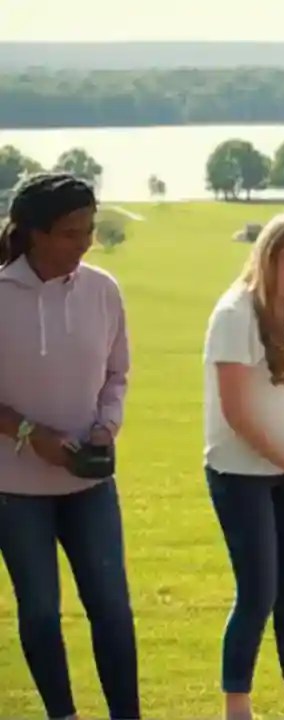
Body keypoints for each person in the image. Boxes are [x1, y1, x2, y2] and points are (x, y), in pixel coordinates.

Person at [0, 173, 139, 720]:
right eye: (70, 233)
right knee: (38, 614)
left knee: (111, 608)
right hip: (14, 491)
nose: (84, 243)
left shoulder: (103, 290)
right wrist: (32, 435)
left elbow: (117, 373)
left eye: (89, 229)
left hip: (90, 485)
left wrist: (106, 426)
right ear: (34, 233)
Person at [202, 213, 284, 720]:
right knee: (258, 590)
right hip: (240, 474)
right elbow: (234, 413)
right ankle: (238, 706)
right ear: (268, 260)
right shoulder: (235, 315)